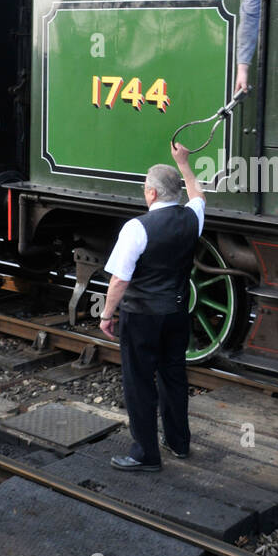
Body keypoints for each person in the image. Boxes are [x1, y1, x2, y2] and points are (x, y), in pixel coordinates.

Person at [98, 141, 205, 472]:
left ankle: (145, 454)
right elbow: (198, 196)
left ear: (152, 194)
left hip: (142, 316)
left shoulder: (136, 228)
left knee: (139, 382)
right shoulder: (193, 218)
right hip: (176, 313)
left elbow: (119, 281)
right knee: (174, 375)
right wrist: (184, 164)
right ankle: (178, 442)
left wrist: (105, 314)